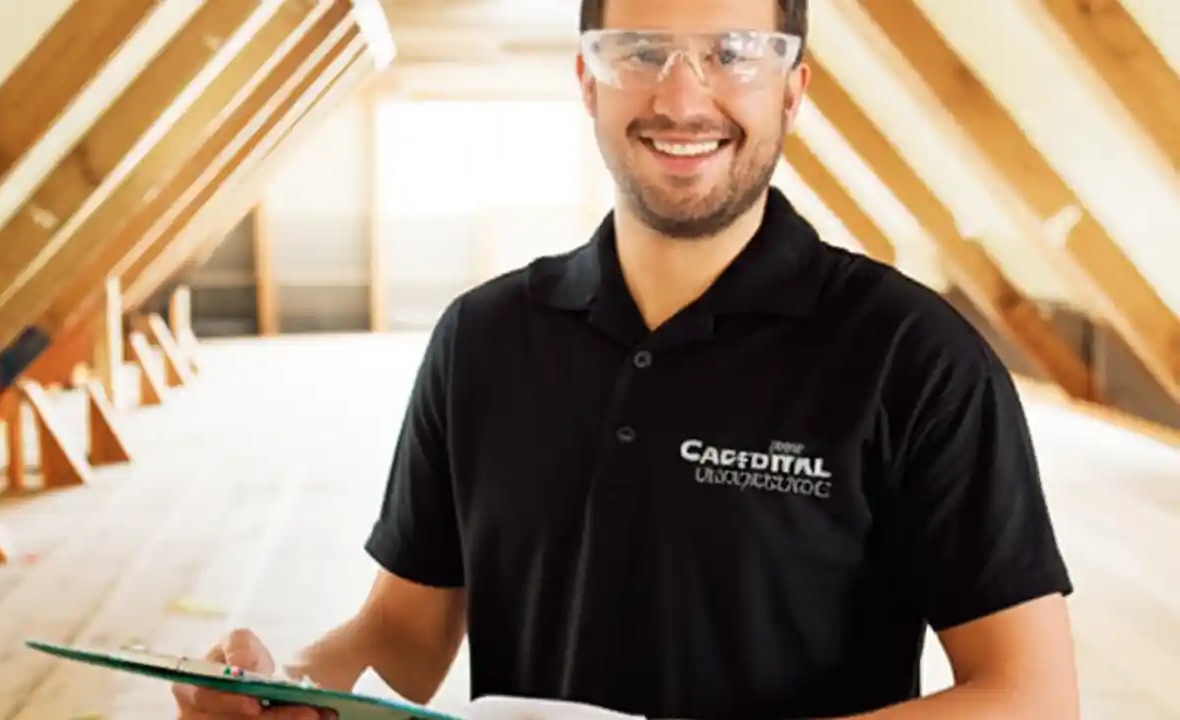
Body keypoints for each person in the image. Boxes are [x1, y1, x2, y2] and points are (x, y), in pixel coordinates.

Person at [174, 0, 1080, 717]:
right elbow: (402, 637)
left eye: (734, 54)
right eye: (640, 52)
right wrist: (278, 688)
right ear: (586, 79)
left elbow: (1031, 698)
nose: (682, 99)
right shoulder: (482, 340)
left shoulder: (912, 357)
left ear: (793, 90)